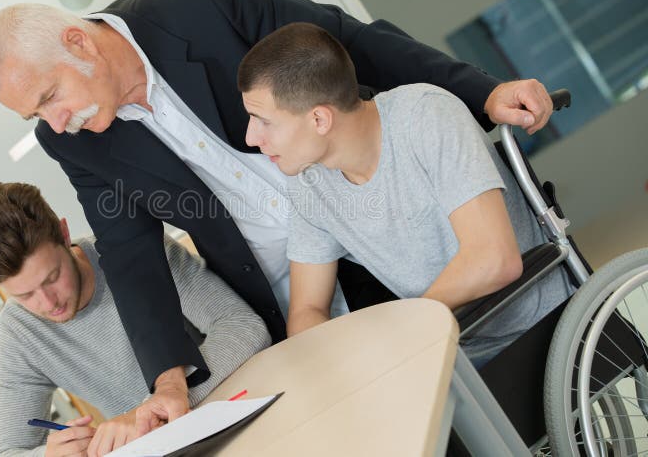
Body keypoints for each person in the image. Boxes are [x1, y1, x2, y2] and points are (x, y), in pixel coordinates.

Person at [0, 0, 556, 420]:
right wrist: (168, 381)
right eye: (35, 114)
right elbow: (129, 255)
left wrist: (478, 92)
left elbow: (344, 40)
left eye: (50, 97)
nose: (54, 123)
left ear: (79, 44)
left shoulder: (196, 0)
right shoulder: (74, 142)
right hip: (289, 281)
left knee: (469, 388)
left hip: (384, 217)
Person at [238, 22, 574, 366]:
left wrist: (402, 334)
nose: (251, 137)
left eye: (262, 120)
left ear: (320, 120)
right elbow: (307, 311)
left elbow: (494, 260)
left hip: (544, 329)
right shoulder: (310, 181)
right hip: (451, 351)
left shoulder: (425, 116)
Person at [0, 182, 270, 457]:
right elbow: (8, 452)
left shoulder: (132, 253)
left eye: (52, 277)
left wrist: (150, 409)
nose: (48, 303)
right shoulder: (20, 334)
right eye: (24, 296)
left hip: (235, 413)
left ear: (64, 235)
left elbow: (243, 326)